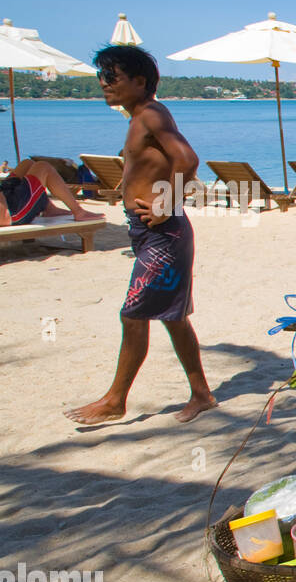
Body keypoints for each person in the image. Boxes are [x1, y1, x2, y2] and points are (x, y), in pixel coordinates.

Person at [64, 45, 217, 426]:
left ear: (139, 81)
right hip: (147, 232)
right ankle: (202, 394)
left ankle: (116, 400)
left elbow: (187, 159)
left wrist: (165, 204)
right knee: (172, 317)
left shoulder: (151, 113)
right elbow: (157, 166)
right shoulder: (139, 118)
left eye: (112, 77)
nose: (104, 84)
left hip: (164, 233)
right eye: (102, 76)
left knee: (133, 315)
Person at [0, 159, 104, 226]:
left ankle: (49, 208)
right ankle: (79, 212)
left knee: (27, 164)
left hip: (6, 197)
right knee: (44, 167)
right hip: (12, 212)